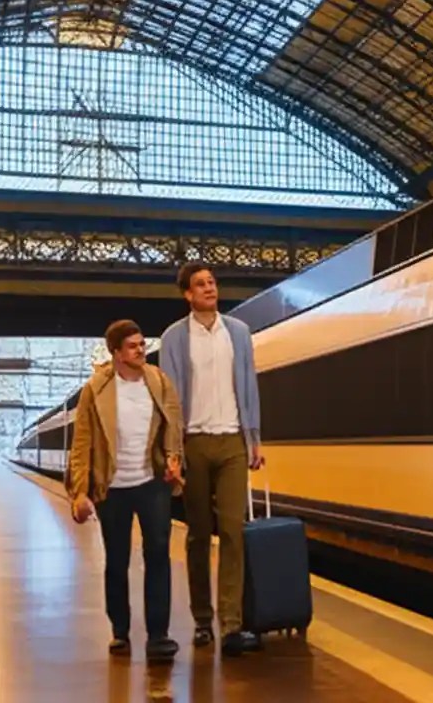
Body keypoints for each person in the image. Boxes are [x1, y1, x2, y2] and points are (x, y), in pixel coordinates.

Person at [159, 261, 264, 656]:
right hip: (195, 443)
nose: (209, 288)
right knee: (199, 534)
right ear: (187, 294)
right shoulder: (173, 338)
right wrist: (173, 450)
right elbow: (170, 399)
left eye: (212, 282)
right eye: (200, 284)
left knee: (234, 531)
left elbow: (250, 387)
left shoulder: (238, 333)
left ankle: (232, 624)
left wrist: (254, 438)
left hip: (233, 441)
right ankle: (203, 620)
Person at [67, 319, 185, 661]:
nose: (141, 350)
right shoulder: (96, 389)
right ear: (116, 353)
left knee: (158, 555)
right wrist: (79, 492)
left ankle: (159, 635)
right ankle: (120, 631)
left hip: (152, 483)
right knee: (116, 561)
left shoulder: (158, 381)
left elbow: (172, 423)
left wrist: (174, 458)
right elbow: (83, 442)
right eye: (133, 346)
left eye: (141, 344)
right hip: (113, 487)